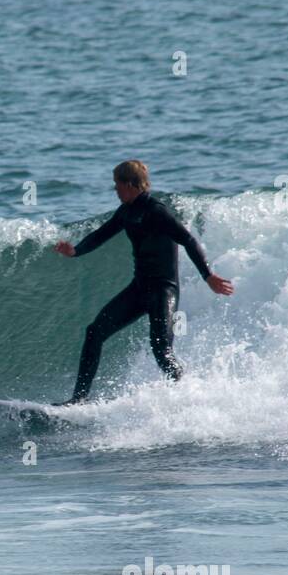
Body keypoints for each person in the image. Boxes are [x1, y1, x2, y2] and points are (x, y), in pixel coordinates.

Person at [54, 160, 234, 403]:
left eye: (117, 185)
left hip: (163, 290)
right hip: (139, 288)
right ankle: (79, 399)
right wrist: (76, 251)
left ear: (129, 184)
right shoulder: (126, 211)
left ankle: (189, 398)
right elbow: (101, 235)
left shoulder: (156, 210)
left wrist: (208, 276)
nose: (115, 190)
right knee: (94, 332)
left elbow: (188, 240)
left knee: (161, 350)